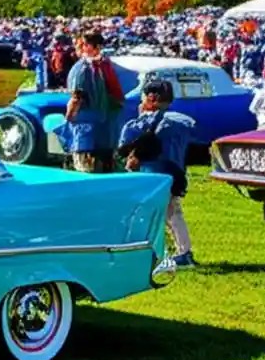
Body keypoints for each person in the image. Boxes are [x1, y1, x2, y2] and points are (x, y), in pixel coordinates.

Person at [117, 79, 197, 268]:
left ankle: (152, 251)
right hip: (174, 174)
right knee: (173, 213)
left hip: (149, 175)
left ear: (151, 98)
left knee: (147, 214)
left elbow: (123, 146)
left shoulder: (138, 124)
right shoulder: (181, 122)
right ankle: (183, 252)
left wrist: (141, 117)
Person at [63, 31, 125, 173]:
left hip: (86, 130)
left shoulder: (82, 69)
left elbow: (76, 97)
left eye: (83, 44)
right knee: (107, 171)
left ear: (90, 47)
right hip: (106, 130)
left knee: (85, 170)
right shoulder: (106, 66)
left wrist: (69, 117)